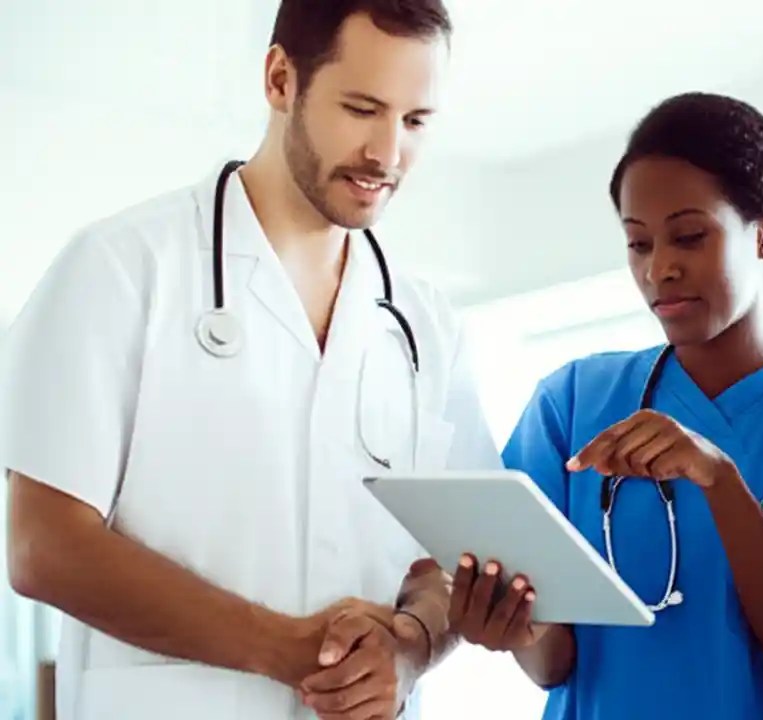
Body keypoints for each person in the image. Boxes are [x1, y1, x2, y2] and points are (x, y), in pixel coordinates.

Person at [0, 1, 499, 718]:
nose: (388, 154)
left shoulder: (424, 324)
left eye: (415, 122)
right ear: (279, 79)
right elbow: (44, 547)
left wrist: (412, 647)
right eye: (362, 108)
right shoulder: (121, 268)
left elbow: (451, 563)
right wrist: (279, 644)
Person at [442, 91, 763, 719]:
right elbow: (554, 662)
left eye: (690, 237)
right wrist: (512, 628)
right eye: (639, 245)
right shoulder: (572, 404)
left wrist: (719, 479)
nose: (660, 269)